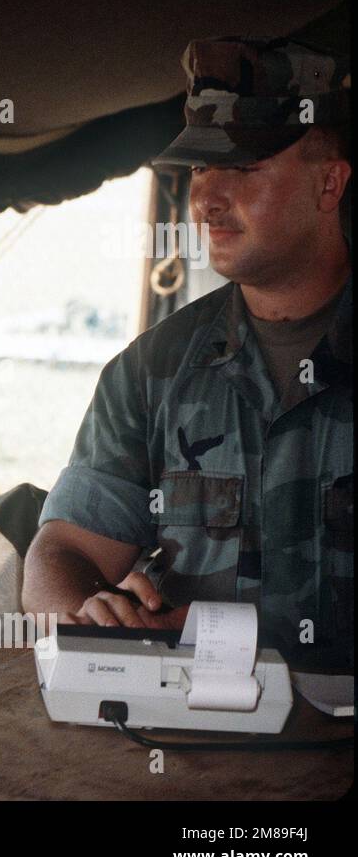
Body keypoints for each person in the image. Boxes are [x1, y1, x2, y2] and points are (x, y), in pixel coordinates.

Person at [23, 37, 351, 672]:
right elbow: (60, 550)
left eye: (245, 169)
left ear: (330, 183)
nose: (205, 200)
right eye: (201, 168)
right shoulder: (153, 371)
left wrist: (217, 636)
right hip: (188, 739)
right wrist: (90, 611)